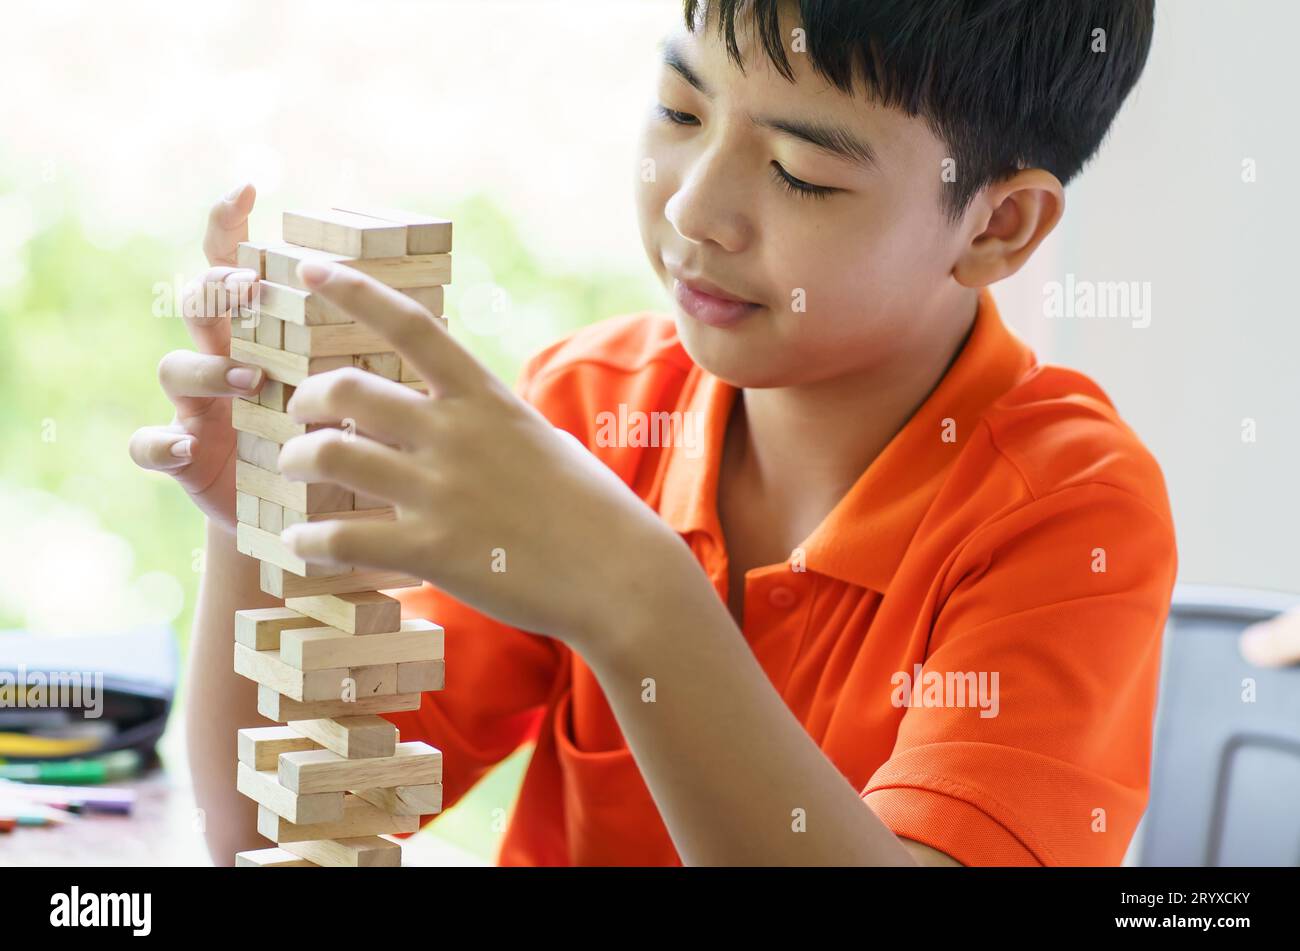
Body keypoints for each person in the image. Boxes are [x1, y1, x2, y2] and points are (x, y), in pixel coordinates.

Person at [130, 0, 1173, 866]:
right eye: (681, 109)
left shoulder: (1070, 510)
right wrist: (265, 517)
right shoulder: (595, 406)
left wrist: (637, 601)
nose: (695, 207)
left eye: (802, 172)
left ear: (997, 227)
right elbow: (262, 825)